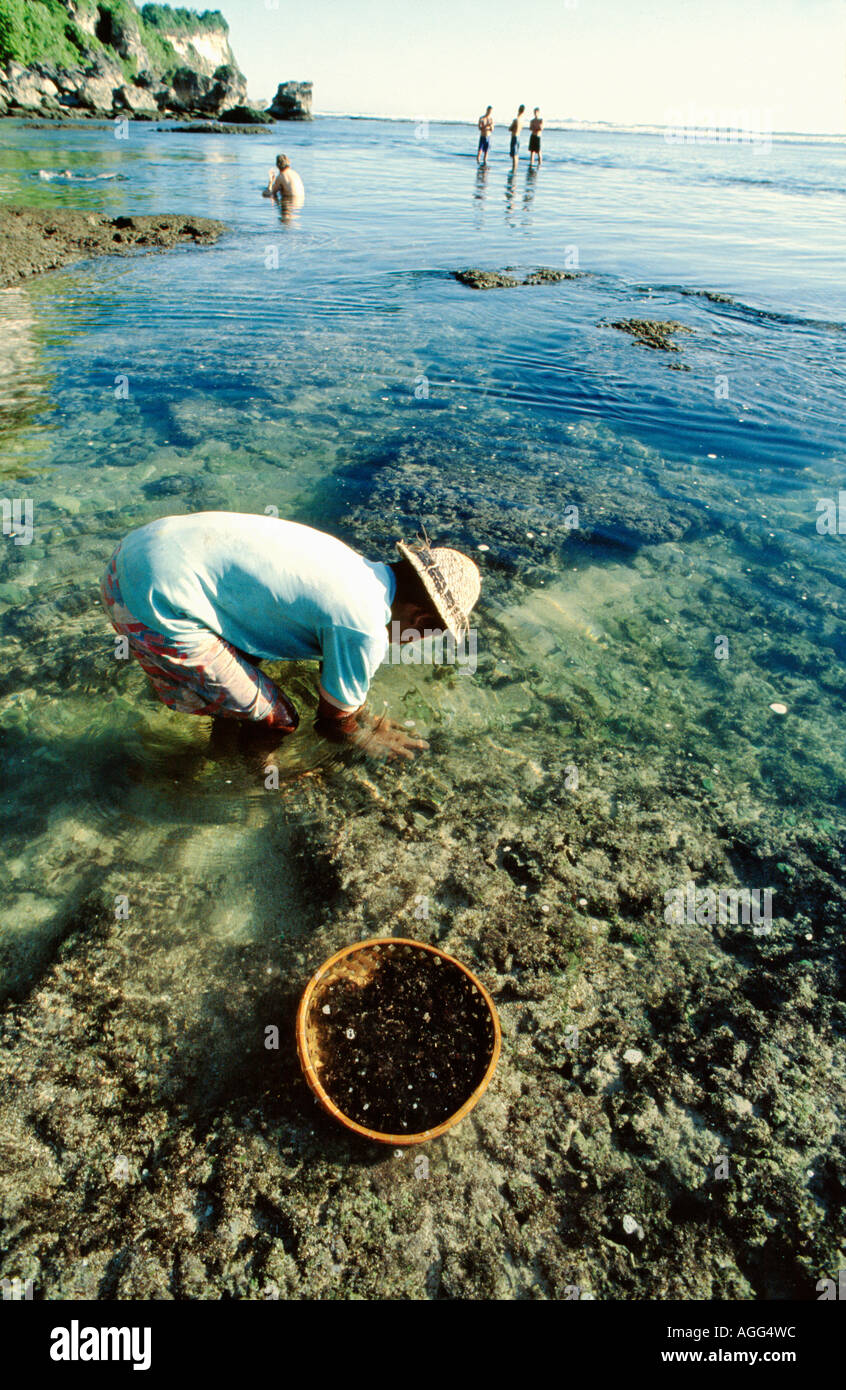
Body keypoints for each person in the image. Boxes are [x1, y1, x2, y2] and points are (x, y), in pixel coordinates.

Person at [100, 513, 481, 763]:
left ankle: (227, 730)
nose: (414, 643)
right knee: (280, 720)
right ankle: (251, 777)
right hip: (151, 604)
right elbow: (333, 724)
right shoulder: (365, 628)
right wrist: (365, 734)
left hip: (133, 553)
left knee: (246, 674)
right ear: (418, 617)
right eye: (428, 634)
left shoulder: (353, 565)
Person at [509, 104, 525, 169]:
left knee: (514, 155)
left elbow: (510, 128)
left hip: (514, 136)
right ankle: (515, 167)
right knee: (516, 154)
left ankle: (514, 167)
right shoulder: (522, 120)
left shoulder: (516, 120)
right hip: (518, 136)